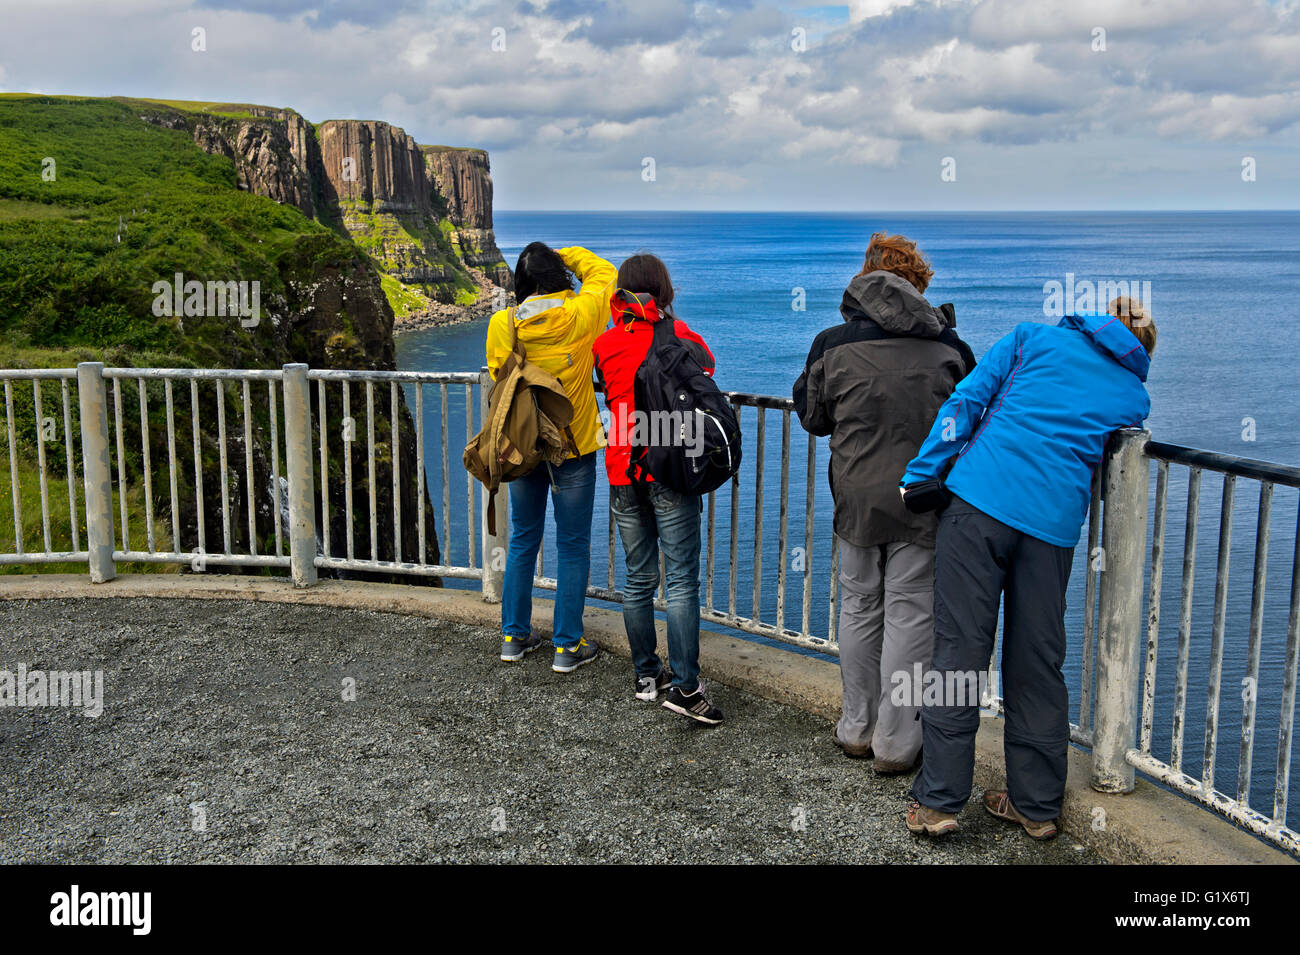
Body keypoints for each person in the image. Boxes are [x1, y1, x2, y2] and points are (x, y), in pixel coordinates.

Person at [901, 296, 1156, 840]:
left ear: (1097, 320)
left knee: (958, 654)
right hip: (1050, 531)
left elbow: (964, 403)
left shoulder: (1030, 339)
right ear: (1141, 350)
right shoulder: (1134, 396)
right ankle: (1036, 807)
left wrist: (922, 472)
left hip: (978, 507)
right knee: (1038, 662)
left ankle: (940, 804)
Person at [793, 233, 974, 773]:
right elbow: (969, 423)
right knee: (910, 615)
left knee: (858, 607)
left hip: (856, 497)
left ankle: (855, 727)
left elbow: (812, 415)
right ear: (918, 283)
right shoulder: (951, 349)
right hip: (923, 498)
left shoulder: (832, 343)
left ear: (864, 277)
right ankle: (896, 745)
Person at [592, 253, 724, 724]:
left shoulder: (605, 343)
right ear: (663, 290)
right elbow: (707, 368)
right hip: (668, 468)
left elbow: (605, 388)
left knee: (638, 578)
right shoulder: (680, 335)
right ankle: (687, 687)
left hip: (622, 471)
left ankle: (647, 677)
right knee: (682, 580)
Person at [486, 243, 615, 673]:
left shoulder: (502, 325)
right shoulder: (579, 315)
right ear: (557, 278)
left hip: (523, 447)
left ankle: (513, 636)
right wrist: (569, 253)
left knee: (523, 539)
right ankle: (566, 645)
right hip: (573, 445)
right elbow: (606, 276)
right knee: (573, 546)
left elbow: (499, 376)